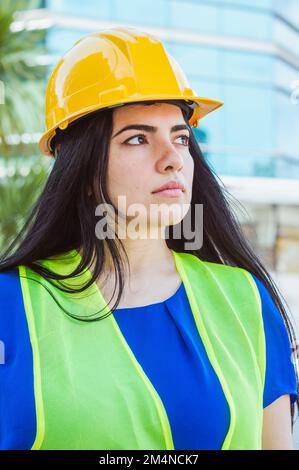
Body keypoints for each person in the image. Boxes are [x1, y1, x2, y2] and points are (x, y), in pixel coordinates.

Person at [0, 26, 298, 451]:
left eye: (180, 137)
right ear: (83, 171)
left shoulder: (244, 300)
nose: (173, 158)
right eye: (138, 138)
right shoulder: (10, 305)